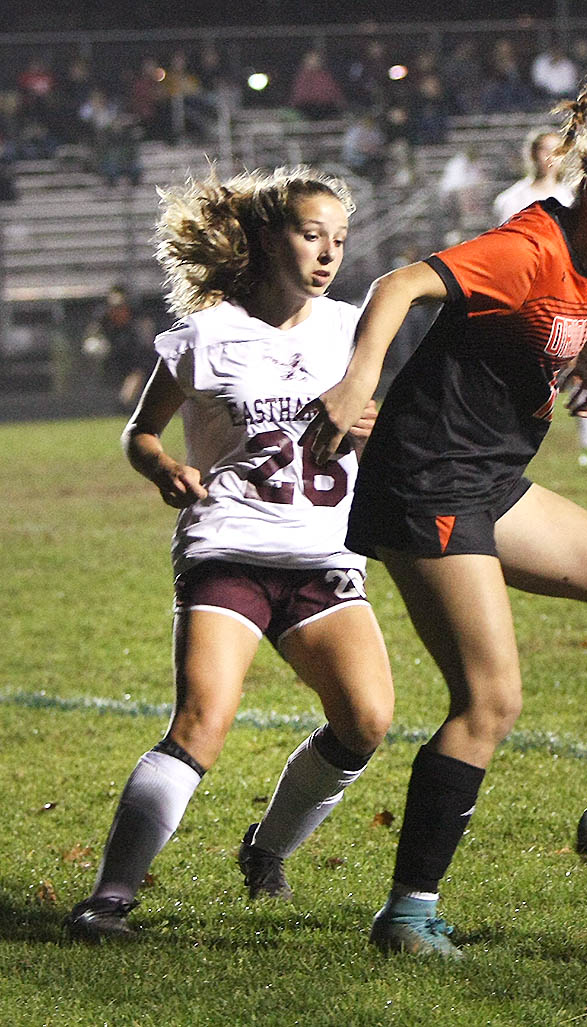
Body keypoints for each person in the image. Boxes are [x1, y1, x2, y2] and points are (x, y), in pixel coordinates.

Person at [301, 66, 587, 957]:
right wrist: (359, 380)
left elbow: (571, 300)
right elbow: (400, 283)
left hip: (488, 480)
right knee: (490, 699)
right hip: (427, 485)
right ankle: (407, 911)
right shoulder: (528, 245)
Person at [63, 166, 394, 941]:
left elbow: (380, 414)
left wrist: (376, 425)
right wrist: (161, 467)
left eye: (339, 239)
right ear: (269, 236)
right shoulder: (207, 334)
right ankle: (108, 899)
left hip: (322, 557)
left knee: (367, 721)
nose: (328, 253)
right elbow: (139, 431)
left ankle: (266, 849)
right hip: (230, 549)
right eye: (312, 235)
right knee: (202, 723)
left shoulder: (352, 327)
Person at [492, 128, 587, 468]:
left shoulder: (572, 196)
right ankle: (508, 448)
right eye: (544, 150)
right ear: (532, 155)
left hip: (565, 296)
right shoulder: (510, 199)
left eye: (557, 151)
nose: (550, 157)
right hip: (525, 301)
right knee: (519, 378)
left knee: (578, 368)